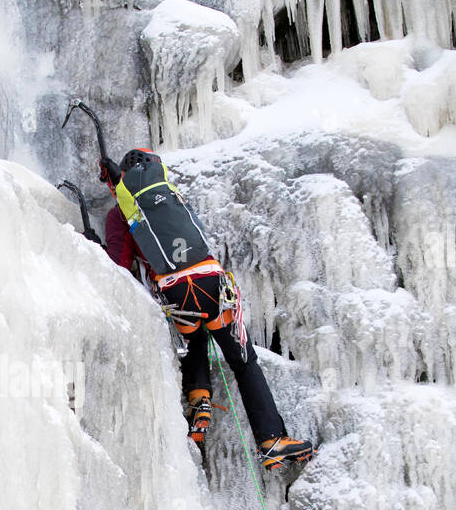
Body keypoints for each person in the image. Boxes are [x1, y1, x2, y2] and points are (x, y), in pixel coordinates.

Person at [99, 148, 314, 469]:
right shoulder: (174, 196)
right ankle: (272, 440)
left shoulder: (123, 212)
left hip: (175, 291)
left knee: (194, 334)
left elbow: (119, 261)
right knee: (243, 363)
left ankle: (199, 405)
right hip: (212, 282)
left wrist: (96, 242)